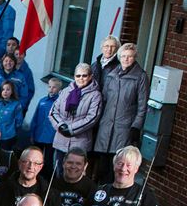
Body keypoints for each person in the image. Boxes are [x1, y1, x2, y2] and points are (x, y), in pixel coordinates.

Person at [92, 41, 148, 178]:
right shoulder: (112, 74)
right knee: (102, 165)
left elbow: (142, 105)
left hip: (124, 127)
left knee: (117, 164)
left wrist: (136, 127)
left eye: (129, 56)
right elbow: (103, 100)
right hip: (106, 124)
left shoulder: (140, 77)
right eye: (123, 56)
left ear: (135, 58)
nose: (126, 59)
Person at [49, 63, 101, 163]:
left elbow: (92, 118)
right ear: (74, 76)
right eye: (78, 75)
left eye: (84, 75)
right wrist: (61, 126)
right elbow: (53, 112)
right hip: (61, 139)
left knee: (75, 174)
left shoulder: (95, 95)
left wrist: (71, 129)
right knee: (59, 172)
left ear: (90, 76)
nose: (81, 78)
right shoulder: (65, 91)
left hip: (80, 143)